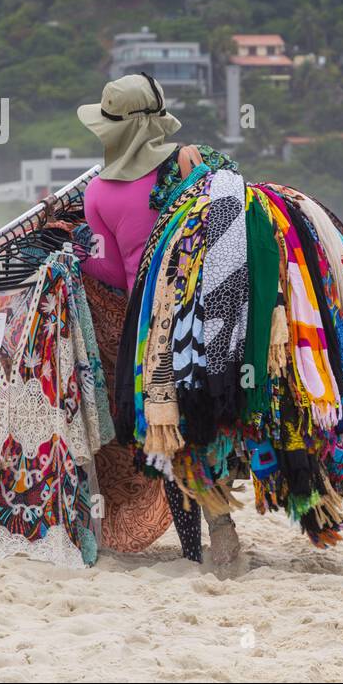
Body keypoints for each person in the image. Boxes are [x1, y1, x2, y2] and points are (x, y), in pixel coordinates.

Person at [76, 72, 239, 564]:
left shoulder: (99, 192)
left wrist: (75, 252)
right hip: (215, 317)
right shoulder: (195, 164)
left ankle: (192, 550)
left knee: (167, 432)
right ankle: (222, 523)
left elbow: (110, 272)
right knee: (210, 419)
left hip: (152, 328)